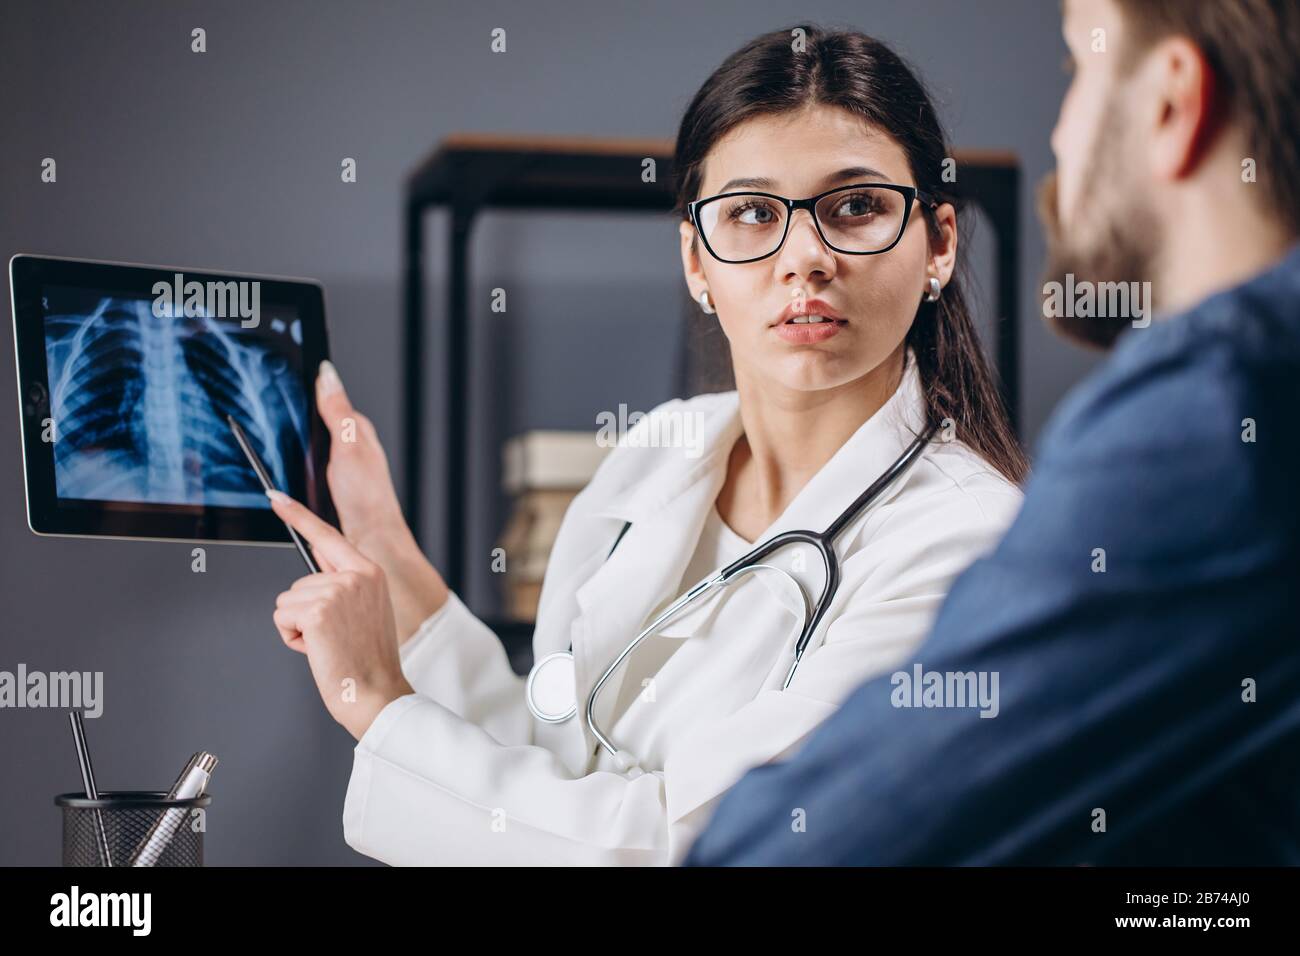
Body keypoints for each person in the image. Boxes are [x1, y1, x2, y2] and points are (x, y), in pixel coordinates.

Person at [264, 25, 1026, 865]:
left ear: (940, 244)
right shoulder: (659, 454)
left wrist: (379, 705)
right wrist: (388, 554)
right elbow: (553, 762)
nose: (804, 258)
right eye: (751, 213)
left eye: (855, 207)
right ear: (697, 261)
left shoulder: (971, 543)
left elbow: (701, 844)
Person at [685, 0, 1300, 866]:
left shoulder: (1216, 416)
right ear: (694, 259)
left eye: (1076, 70)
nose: (1059, 133)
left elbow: (784, 852)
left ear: (1170, 101)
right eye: (752, 213)